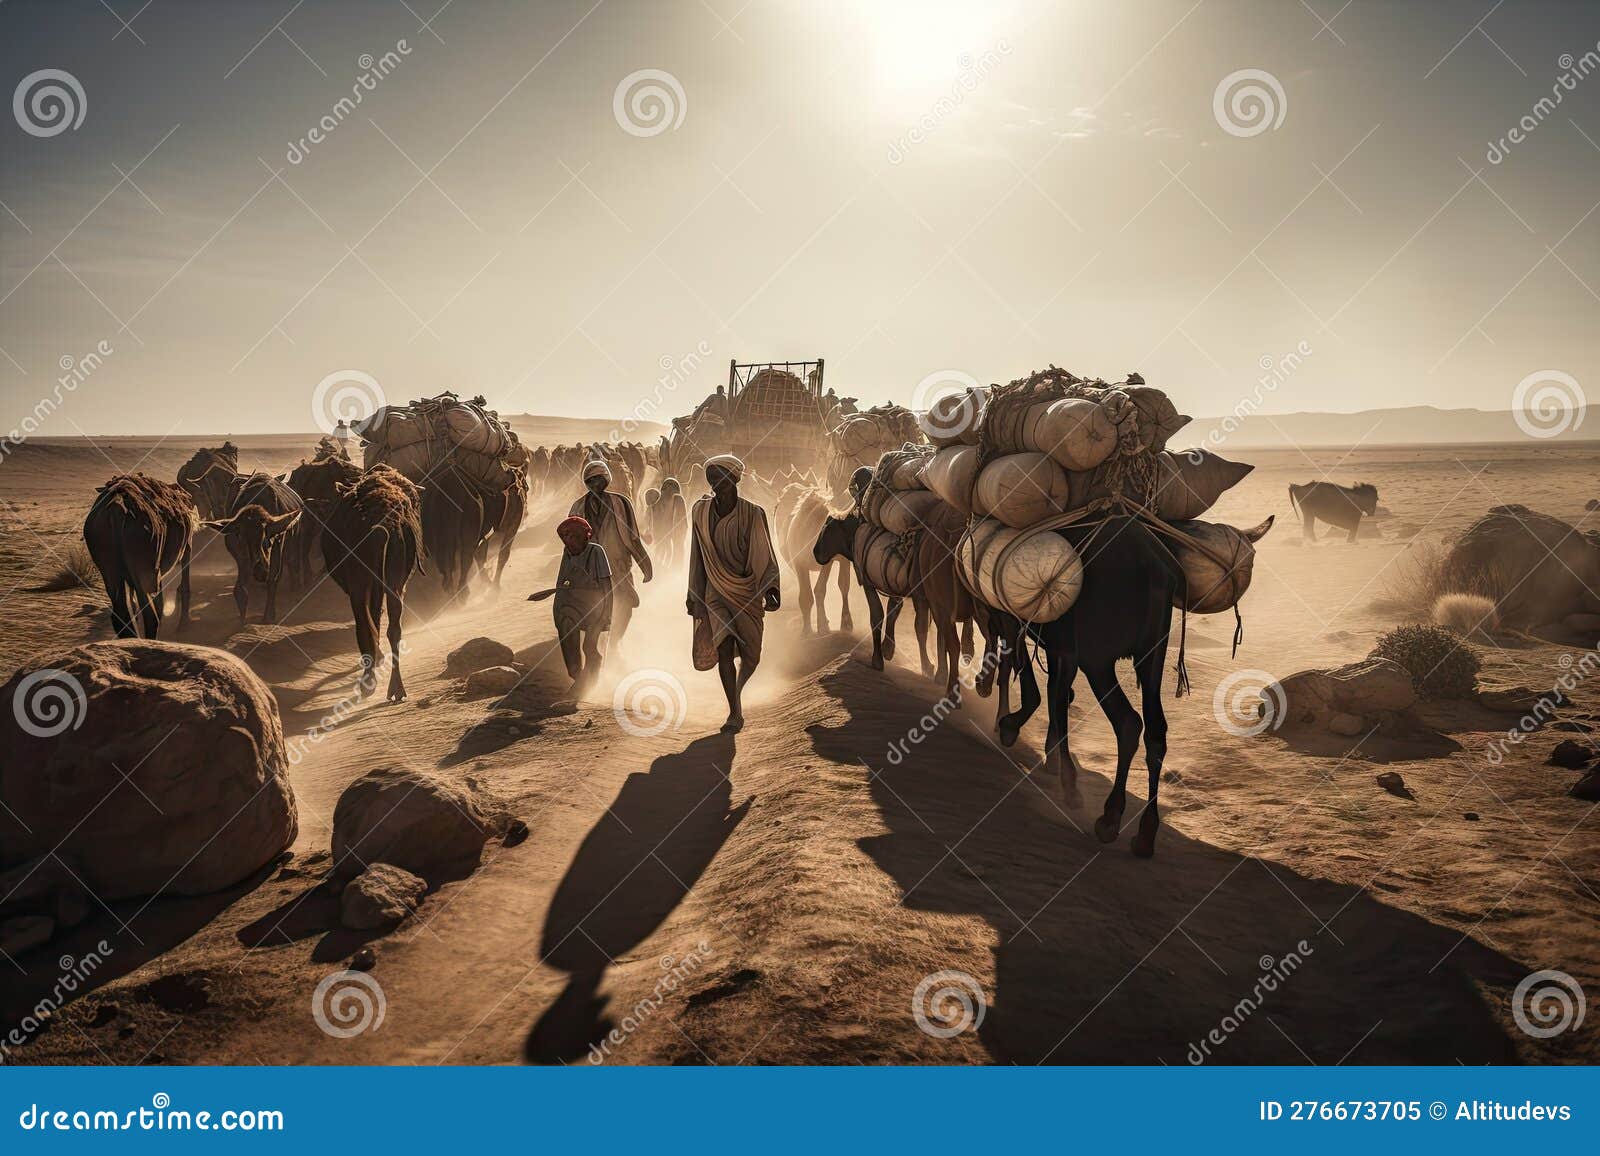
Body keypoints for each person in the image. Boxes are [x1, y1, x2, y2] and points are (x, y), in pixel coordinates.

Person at [687, 454, 780, 733]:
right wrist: (694, 594)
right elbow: (697, 556)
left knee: (752, 656)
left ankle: (737, 693)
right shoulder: (699, 512)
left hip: (747, 592)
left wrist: (770, 588)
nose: (715, 483)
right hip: (714, 591)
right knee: (723, 648)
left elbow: (764, 554)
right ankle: (734, 712)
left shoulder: (753, 514)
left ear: (736, 478)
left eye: (720, 476)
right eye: (711, 477)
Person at [570, 459, 651, 640]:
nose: (595, 484)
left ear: (607, 478)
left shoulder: (622, 503)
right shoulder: (578, 507)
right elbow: (571, 543)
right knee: (594, 608)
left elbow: (633, 537)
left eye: (599, 479)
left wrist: (645, 564)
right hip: (590, 569)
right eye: (590, 481)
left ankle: (615, 642)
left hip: (619, 565)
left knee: (627, 604)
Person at [539, 516, 612, 695]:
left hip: (596, 607)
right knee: (565, 626)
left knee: (589, 646)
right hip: (574, 604)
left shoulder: (597, 552)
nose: (568, 541)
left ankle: (591, 684)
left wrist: (606, 615)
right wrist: (557, 609)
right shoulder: (568, 552)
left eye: (572, 536)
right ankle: (578, 677)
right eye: (565, 537)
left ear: (583, 536)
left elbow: (607, 587)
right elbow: (563, 581)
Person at [653, 477, 688, 570]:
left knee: (675, 559)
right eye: (667, 486)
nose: (669, 489)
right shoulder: (657, 503)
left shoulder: (678, 499)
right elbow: (655, 523)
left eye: (672, 486)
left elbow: (682, 522)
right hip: (664, 538)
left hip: (675, 537)